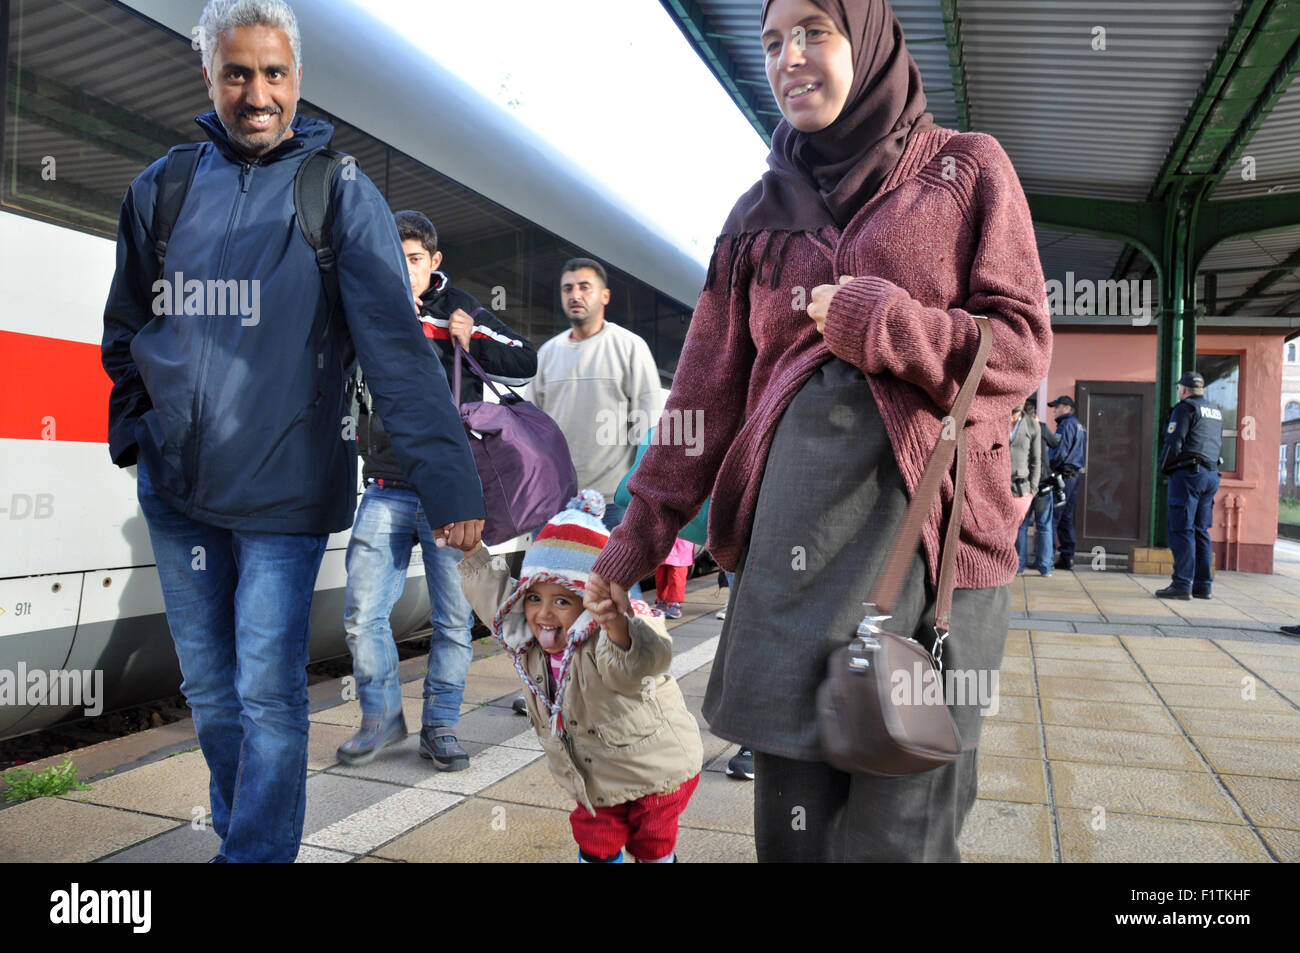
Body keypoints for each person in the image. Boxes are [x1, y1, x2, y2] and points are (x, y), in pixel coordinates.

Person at [586, 0, 1051, 862]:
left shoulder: (967, 172)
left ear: (867, 38)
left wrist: (888, 322)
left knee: (901, 837)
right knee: (792, 839)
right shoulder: (755, 219)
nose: (788, 58)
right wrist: (633, 540)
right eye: (771, 41)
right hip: (790, 573)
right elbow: (702, 402)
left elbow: (1021, 346)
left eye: (813, 32)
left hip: (929, 564)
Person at [101, 0, 484, 862]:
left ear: (298, 79)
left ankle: (253, 855)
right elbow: (125, 328)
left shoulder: (338, 192)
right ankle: (250, 839)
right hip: (178, 494)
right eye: (237, 73)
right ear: (210, 77)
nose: (257, 92)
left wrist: (450, 482)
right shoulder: (162, 188)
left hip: (283, 493)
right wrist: (137, 433)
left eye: (274, 73)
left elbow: (396, 350)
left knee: (269, 695)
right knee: (211, 692)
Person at [338, 211, 537, 769]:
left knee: (453, 619)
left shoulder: (461, 306)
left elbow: (525, 358)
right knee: (362, 613)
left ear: (434, 262)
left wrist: (471, 337)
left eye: (415, 260)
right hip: (383, 482)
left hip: (449, 492)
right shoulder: (369, 305)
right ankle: (380, 716)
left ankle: (442, 727)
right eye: (394, 259)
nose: (404, 271)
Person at [458, 491, 703, 863]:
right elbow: (495, 599)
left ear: (591, 601)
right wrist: (473, 551)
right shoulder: (526, 635)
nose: (543, 613)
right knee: (596, 842)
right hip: (595, 775)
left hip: (658, 771)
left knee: (652, 843)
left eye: (562, 600)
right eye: (534, 597)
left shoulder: (613, 630)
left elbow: (643, 662)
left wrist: (619, 626)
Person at [526, 258, 662, 534]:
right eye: (567, 289)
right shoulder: (547, 354)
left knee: (614, 579)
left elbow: (648, 428)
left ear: (605, 296)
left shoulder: (630, 347)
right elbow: (530, 428)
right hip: (553, 502)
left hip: (612, 503)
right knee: (548, 579)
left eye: (584, 287)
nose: (575, 295)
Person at [1155, 371, 1223, 600]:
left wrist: (1163, 468)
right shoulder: (1215, 411)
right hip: (1211, 474)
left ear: (1183, 390)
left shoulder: (1184, 408)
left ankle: (1182, 584)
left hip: (1188, 476)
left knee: (1182, 529)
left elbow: (1174, 442)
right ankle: (1203, 585)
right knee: (1200, 530)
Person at [1047, 395, 1087, 570]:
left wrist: (1050, 469)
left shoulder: (1065, 425)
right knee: (1066, 517)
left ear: (1067, 408)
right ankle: (1067, 557)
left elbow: (1060, 452)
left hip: (1063, 476)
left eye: (1057, 407)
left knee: (1053, 517)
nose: (1054, 410)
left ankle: (1046, 558)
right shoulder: (1079, 425)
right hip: (1074, 475)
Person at [1017, 399, 1053, 576]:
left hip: (1023, 484)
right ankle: (1045, 567)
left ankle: (1018, 566)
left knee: (1021, 526)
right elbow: (1055, 443)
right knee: (1044, 525)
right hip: (1043, 482)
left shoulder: (1018, 429)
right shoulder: (1042, 427)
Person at [654, 537, 696, 619]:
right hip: (662, 540)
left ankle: (674, 603)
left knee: (677, 576)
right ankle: (662, 601)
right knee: (661, 576)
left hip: (680, 541)